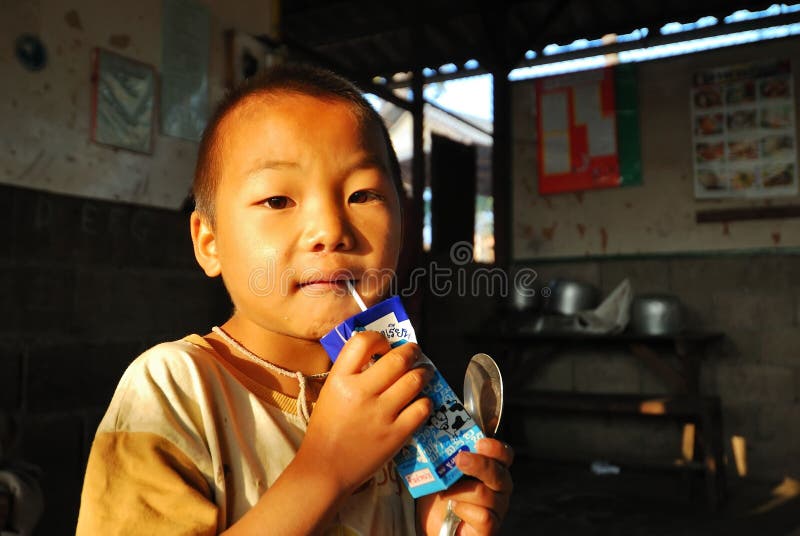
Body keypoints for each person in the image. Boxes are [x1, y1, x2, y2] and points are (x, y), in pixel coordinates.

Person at [76, 62, 513, 535]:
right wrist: (326, 469)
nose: (330, 230)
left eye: (363, 195)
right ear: (209, 242)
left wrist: (446, 524)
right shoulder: (173, 388)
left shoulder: (400, 388)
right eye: (278, 200)